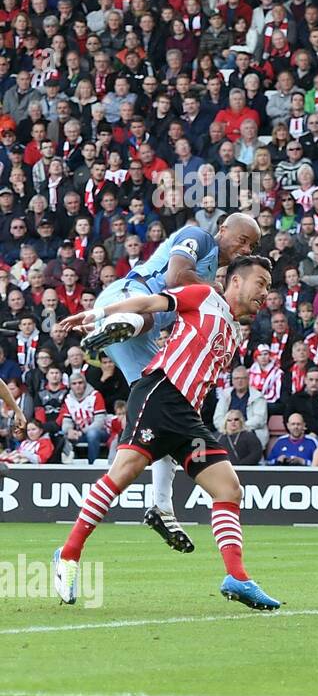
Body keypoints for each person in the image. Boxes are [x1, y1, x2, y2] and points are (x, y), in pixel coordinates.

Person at [50, 256, 281, 610]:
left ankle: (236, 577)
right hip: (160, 394)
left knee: (228, 489)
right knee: (123, 472)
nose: (265, 293)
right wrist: (100, 314)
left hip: (187, 417)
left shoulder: (235, 331)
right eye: (261, 283)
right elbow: (148, 303)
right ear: (236, 282)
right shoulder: (204, 296)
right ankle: (68, 555)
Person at [74, 212, 260, 551]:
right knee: (150, 317)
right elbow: (175, 277)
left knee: (161, 412)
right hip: (129, 296)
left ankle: (161, 506)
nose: (246, 248)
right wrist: (213, 292)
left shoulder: (210, 281)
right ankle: (119, 323)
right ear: (222, 229)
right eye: (243, 239)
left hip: (140, 334)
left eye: (252, 245)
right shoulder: (199, 239)